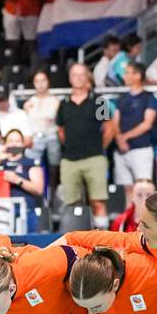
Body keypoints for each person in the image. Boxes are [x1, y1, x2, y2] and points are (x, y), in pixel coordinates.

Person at [56, 63, 109, 224]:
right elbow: (61, 130)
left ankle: (104, 244)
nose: (78, 78)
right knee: (72, 204)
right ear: (70, 78)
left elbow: (109, 127)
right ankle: (77, 241)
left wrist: (100, 147)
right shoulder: (63, 103)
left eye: (82, 74)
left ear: (87, 77)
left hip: (95, 158)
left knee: (98, 201)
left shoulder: (99, 101)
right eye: (74, 75)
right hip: (70, 159)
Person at [111, 62, 157, 185]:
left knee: (143, 187)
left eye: (127, 73)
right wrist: (119, 139)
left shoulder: (148, 97)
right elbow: (114, 121)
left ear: (137, 75)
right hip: (121, 150)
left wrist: (124, 137)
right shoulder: (122, 99)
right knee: (124, 189)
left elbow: (147, 123)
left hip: (141, 149)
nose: (124, 76)